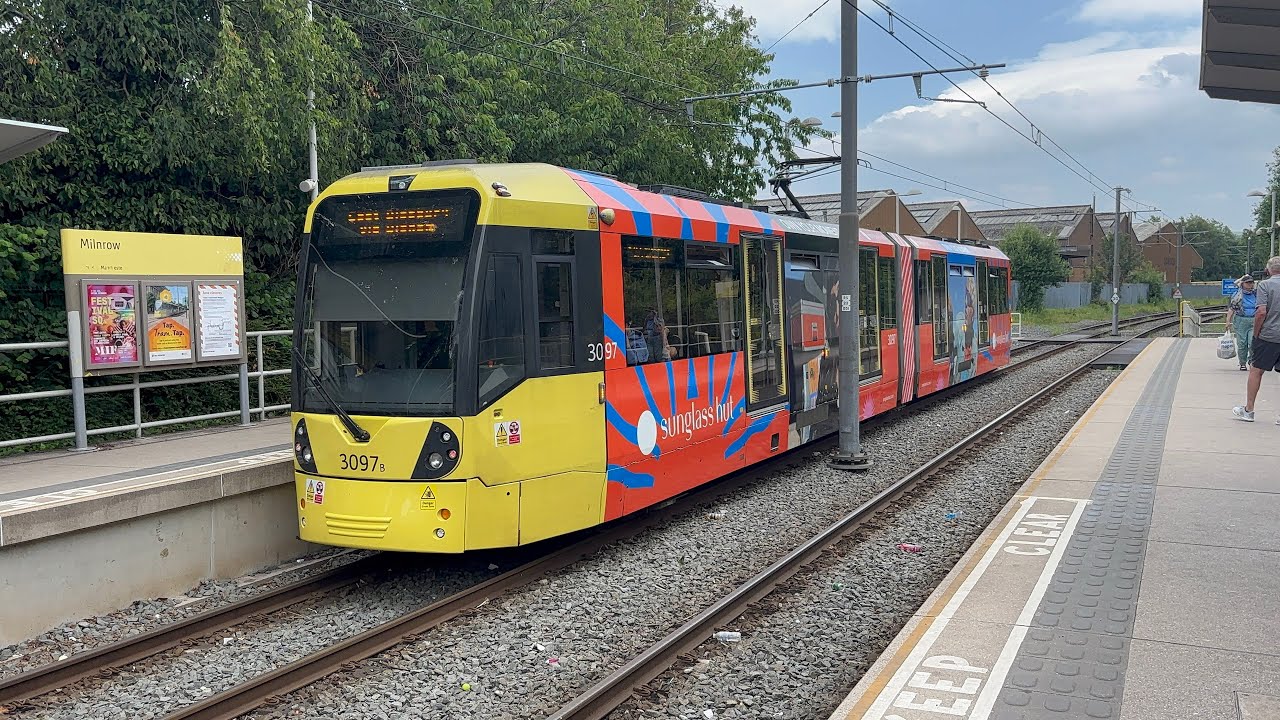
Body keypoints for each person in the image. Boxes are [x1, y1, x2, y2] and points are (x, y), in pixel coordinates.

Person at [1233, 256, 1280, 422]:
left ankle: (1249, 410)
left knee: (1256, 370)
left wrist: (1256, 333)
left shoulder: (1265, 285)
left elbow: (1260, 312)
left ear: (1268, 270)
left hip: (1268, 336)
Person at [1226, 274, 1259, 371]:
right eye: (1248, 282)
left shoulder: (1256, 293)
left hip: (1253, 319)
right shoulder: (1237, 295)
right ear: (1243, 284)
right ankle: (1242, 362)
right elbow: (1232, 309)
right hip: (1241, 320)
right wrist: (1228, 321)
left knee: (1252, 343)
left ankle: (1251, 361)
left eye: (1251, 282)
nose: (1250, 284)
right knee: (1242, 343)